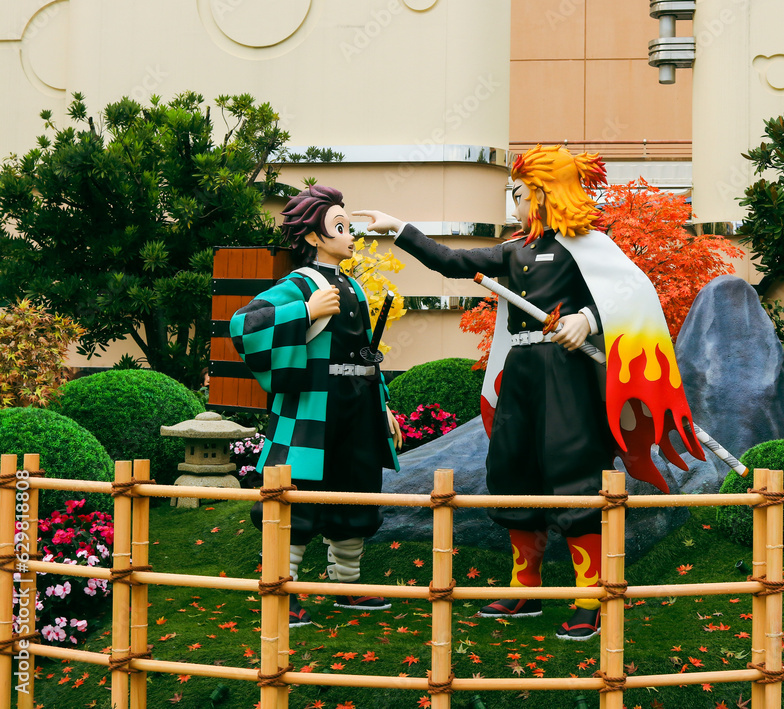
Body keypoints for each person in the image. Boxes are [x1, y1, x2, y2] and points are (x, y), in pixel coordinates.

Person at [356, 145, 704, 641]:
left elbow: (634, 293)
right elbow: (453, 261)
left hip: (570, 376)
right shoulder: (514, 249)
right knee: (514, 471)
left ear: (543, 194)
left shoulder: (593, 247)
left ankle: (591, 594)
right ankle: (526, 584)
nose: (514, 205)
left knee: (574, 472)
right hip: (520, 374)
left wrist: (588, 320)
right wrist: (401, 229)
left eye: (518, 195)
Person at [230, 185, 403, 627]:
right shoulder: (298, 285)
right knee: (297, 494)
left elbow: (367, 352)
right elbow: (244, 325)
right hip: (312, 406)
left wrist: (383, 405)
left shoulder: (355, 288)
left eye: (348, 226)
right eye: (339, 227)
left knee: (357, 491)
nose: (350, 235)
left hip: (358, 407)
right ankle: (280, 588)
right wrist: (305, 310)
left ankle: (346, 585)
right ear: (312, 236)